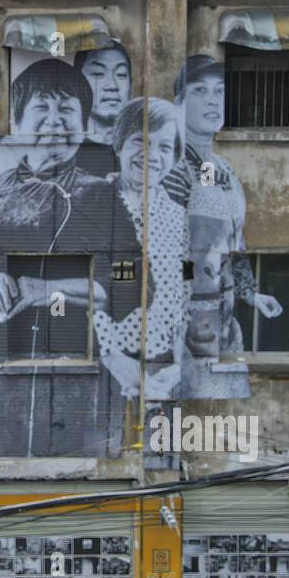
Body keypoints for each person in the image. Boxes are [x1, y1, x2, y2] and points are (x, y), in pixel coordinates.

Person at [0, 58, 135, 457]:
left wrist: (48, 289)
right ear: (17, 123)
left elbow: (130, 282)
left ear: (84, 124)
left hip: (77, 378)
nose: (55, 121)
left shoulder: (102, 195)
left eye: (67, 110)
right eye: (42, 109)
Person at [174, 55, 283, 400]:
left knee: (223, 423)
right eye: (200, 90)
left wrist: (250, 293)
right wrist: (191, 297)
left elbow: (234, 241)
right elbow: (170, 248)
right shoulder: (173, 168)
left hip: (224, 321)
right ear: (179, 101)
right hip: (191, 325)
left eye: (219, 92)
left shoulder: (224, 169)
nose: (212, 100)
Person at [92, 97, 188, 403]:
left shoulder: (178, 219)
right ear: (118, 143)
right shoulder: (90, 204)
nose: (151, 155)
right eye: (140, 142)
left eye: (163, 147)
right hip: (101, 365)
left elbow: (186, 291)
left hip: (162, 368)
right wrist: (111, 357)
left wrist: (179, 365)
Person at [73, 42, 132, 176]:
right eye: (98, 74)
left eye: (121, 75)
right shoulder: (63, 154)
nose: (112, 85)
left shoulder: (142, 154)